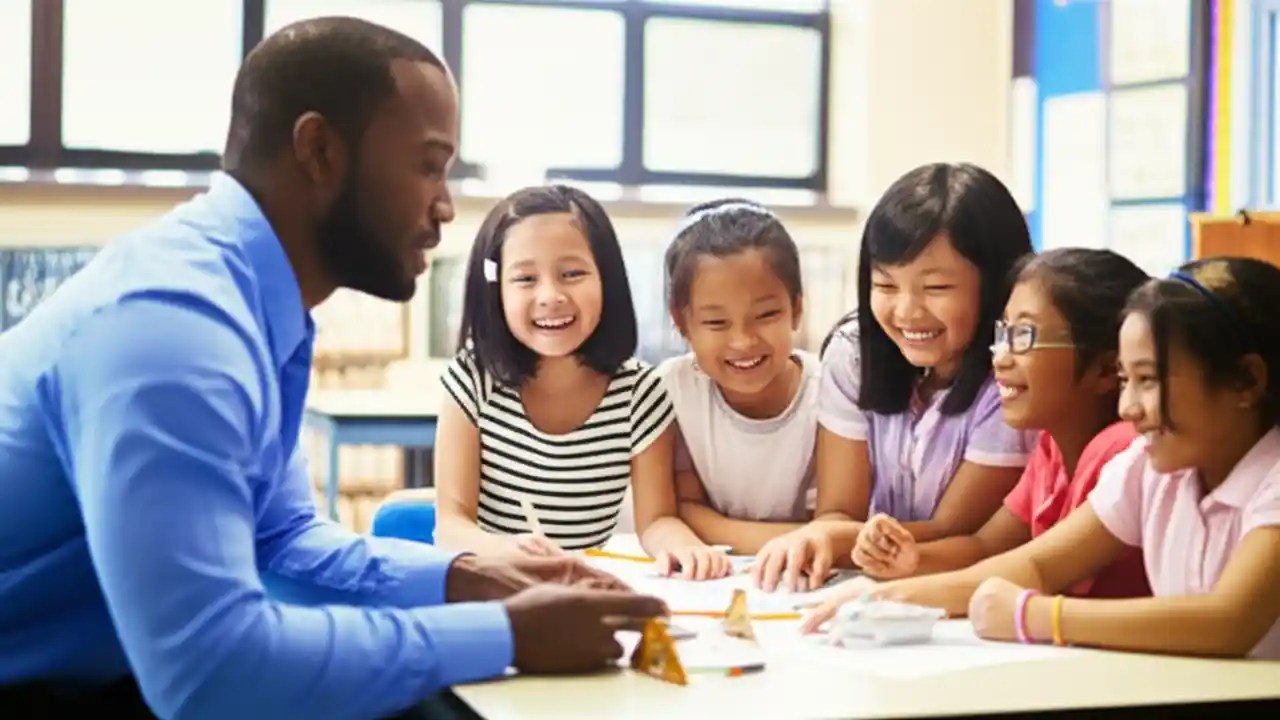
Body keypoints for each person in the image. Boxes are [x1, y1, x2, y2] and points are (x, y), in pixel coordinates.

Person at [0, 18, 664, 719]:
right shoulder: (174, 330)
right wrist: (507, 634)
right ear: (319, 150)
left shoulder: (250, 304)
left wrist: (473, 578)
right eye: (428, 165)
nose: (444, 206)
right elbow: (208, 673)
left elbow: (283, 541)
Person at [818, 258, 1280, 658]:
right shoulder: (1151, 469)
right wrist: (891, 596)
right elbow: (1035, 565)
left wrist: (1038, 615)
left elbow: (1229, 619)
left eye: (1150, 380)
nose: (1128, 408)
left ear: (1245, 380)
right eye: (1127, 380)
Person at [800, 249, 1151, 630]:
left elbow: (1032, 570)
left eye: (1023, 336)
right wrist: (911, 561)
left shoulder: (1121, 449)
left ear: (1104, 368)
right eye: (1003, 333)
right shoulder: (1051, 448)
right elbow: (987, 546)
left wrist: (884, 596)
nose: (1000, 357)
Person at [751, 162, 1037, 592]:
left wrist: (833, 538)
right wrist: (829, 533)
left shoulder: (1013, 377)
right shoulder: (854, 353)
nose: (906, 312)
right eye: (885, 286)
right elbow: (839, 510)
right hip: (873, 584)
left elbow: (954, 531)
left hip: (960, 585)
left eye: (936, 288)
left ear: (997, 286)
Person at [430, 185, 732, 580]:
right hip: (492, 588)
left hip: (579, 592)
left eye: (572, 274)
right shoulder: (471, 382)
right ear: (496, 289)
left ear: (607, 278)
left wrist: (685, 546)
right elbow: (451, 526)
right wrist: (508, 550)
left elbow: (656, 520)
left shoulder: (639, 395)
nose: (550, 295)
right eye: (525, 279)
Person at [655, 199, 820, 554]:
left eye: (766, 315)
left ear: (797, 309)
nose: (743, 341)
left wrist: (715, 529)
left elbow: (835, 527)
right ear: (682, 322)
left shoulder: (829, 392)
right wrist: (805, 539)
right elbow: (681, 510)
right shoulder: (673, 390)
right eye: (716, 322)